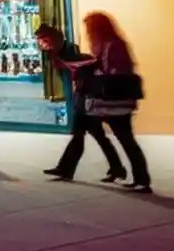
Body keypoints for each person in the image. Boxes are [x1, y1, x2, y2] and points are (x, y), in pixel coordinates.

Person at [47, 13, 152, 193]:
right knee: (91, 133)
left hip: (112, 100)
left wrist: (90, 68)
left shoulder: (114, 45)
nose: (87, 32)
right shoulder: (104, 44)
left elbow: (116, 70)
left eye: (90, 27)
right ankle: (112, 169)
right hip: (100, 100)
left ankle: (140, 178)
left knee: (125, 139)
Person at [38, 23, 127, 185]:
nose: (42, 43)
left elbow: (83, 65)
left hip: (87, 95)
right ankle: (113, 167)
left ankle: (67, 169)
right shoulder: (57, 52)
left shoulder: (68, 50)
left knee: (86, 135)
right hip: (83, 93)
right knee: (90, 135)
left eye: (44, 39)